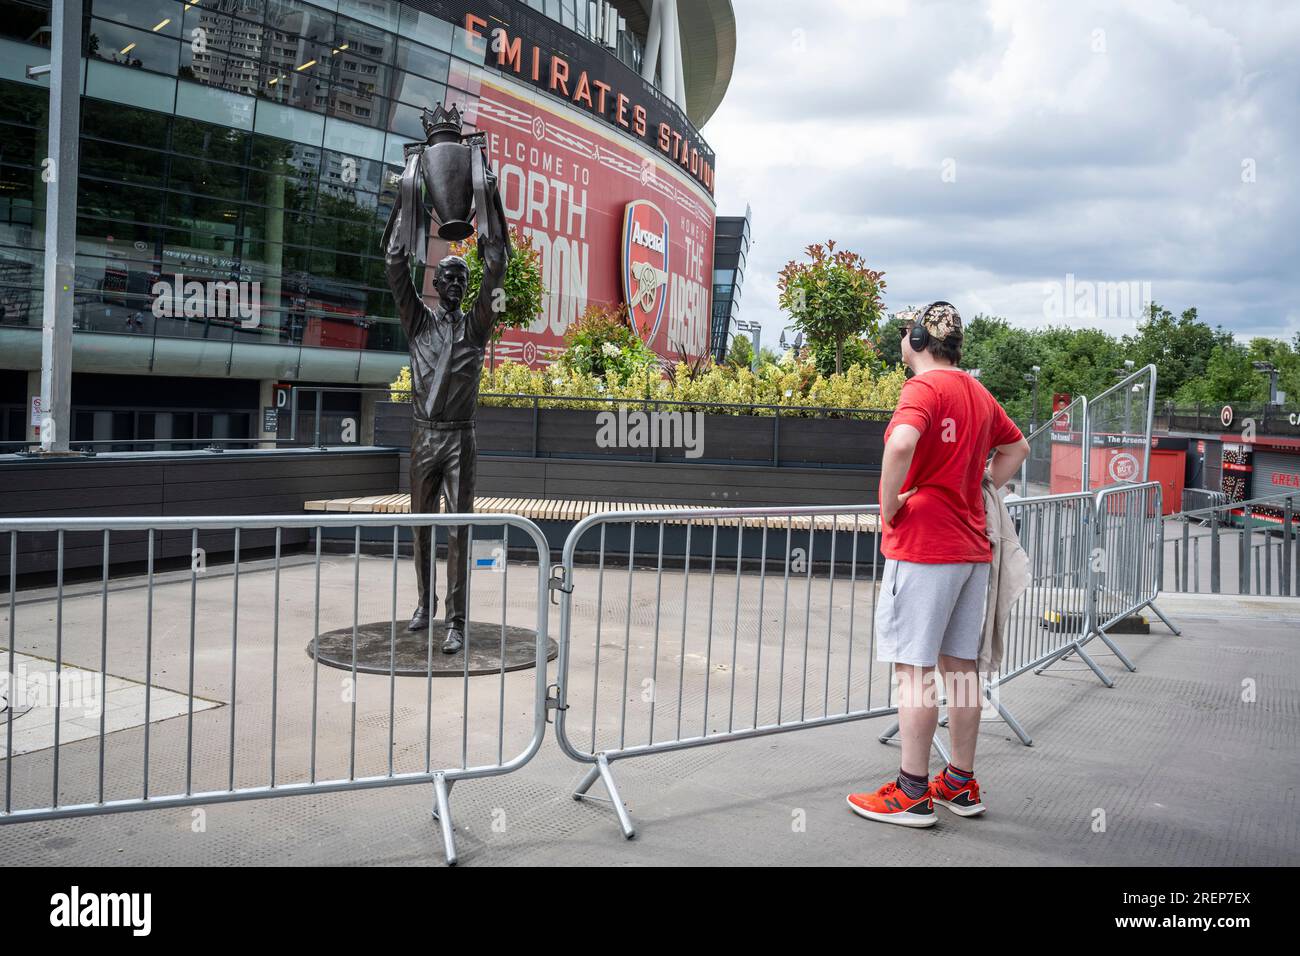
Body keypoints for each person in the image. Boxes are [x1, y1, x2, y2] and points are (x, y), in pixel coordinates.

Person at [847, 302, 1029, 827]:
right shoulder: (977, 392)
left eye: (906, 331)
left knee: (914, 670)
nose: (902, 339)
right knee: (961, 670)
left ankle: (910, 790)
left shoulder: (923, 389)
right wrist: (979, 483)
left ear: (921, 341)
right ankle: (961, 782)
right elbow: (1016, 447)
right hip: (973, 547)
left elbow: (903, 441)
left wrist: (890, 505)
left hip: (926, 546)